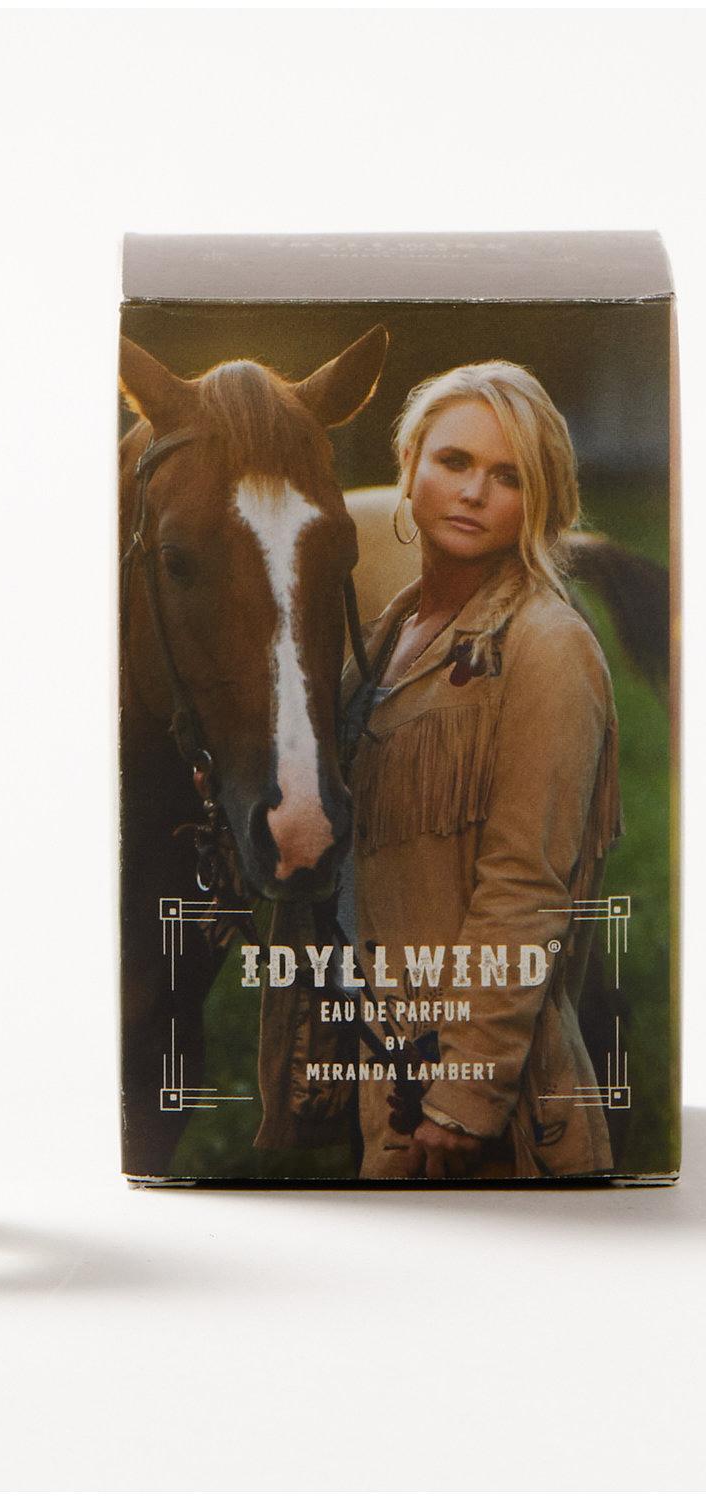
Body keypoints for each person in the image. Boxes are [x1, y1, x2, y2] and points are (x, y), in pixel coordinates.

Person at [332, 362, 620, 1179]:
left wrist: (467, 1091)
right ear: (410, 466)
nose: (472, 493)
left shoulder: (548, 645)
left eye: (508, 476)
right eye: (453, 461)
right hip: (385, 1069)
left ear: (542, 499)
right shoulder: (387, 637)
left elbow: (527, 887)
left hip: (483, 1106)